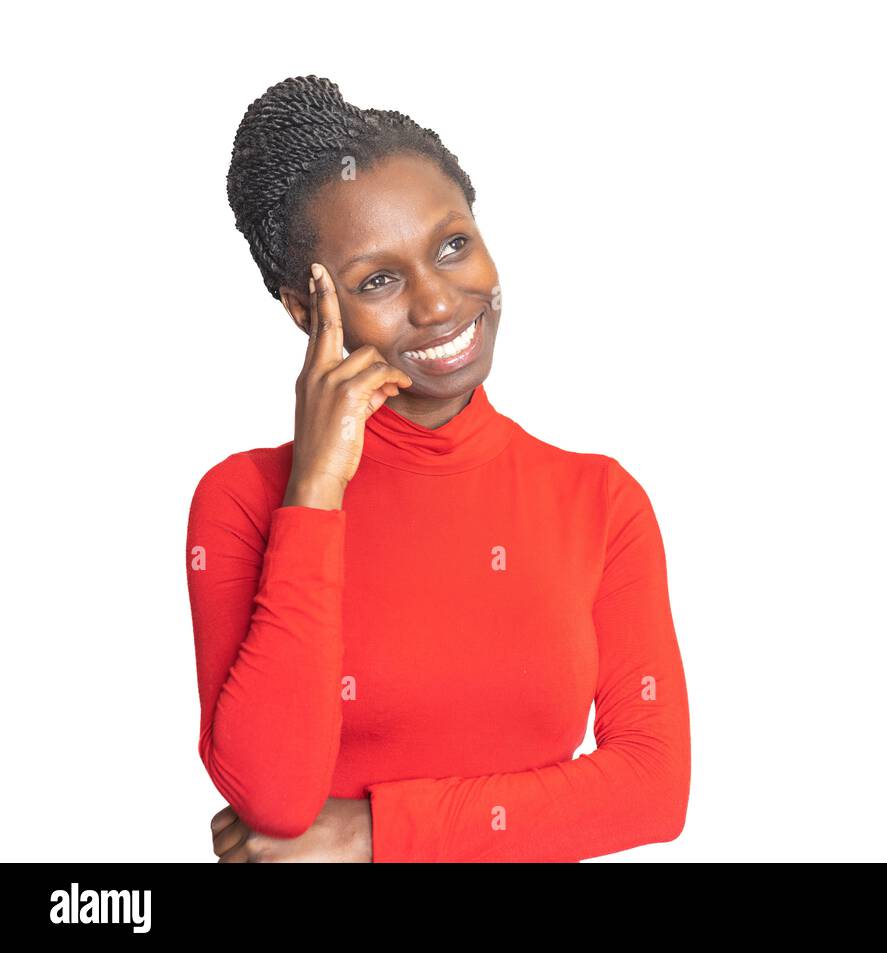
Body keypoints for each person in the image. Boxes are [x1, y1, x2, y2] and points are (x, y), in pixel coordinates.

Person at [188, 75, 691, 862]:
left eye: (453, 245)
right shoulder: (246, 501)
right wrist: (315, 492)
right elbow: (275, 797)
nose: (437, 303)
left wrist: (373, 832)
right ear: (303, 309)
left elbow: (654, 787)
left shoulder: (598, 501)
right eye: (377, 280)